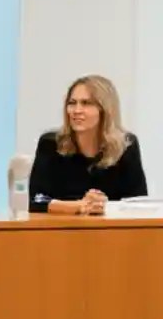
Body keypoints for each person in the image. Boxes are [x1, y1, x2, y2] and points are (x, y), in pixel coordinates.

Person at [27, 75, 147, 215]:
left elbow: (138, 204)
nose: (77, 111)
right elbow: (36, 201)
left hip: (111, 232)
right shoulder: (51, 144)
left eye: (86, 103)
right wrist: (79, 206)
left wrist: (105, 206)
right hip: (61, 232)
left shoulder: (126, 145)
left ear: (105, 110)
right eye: (72, 103)